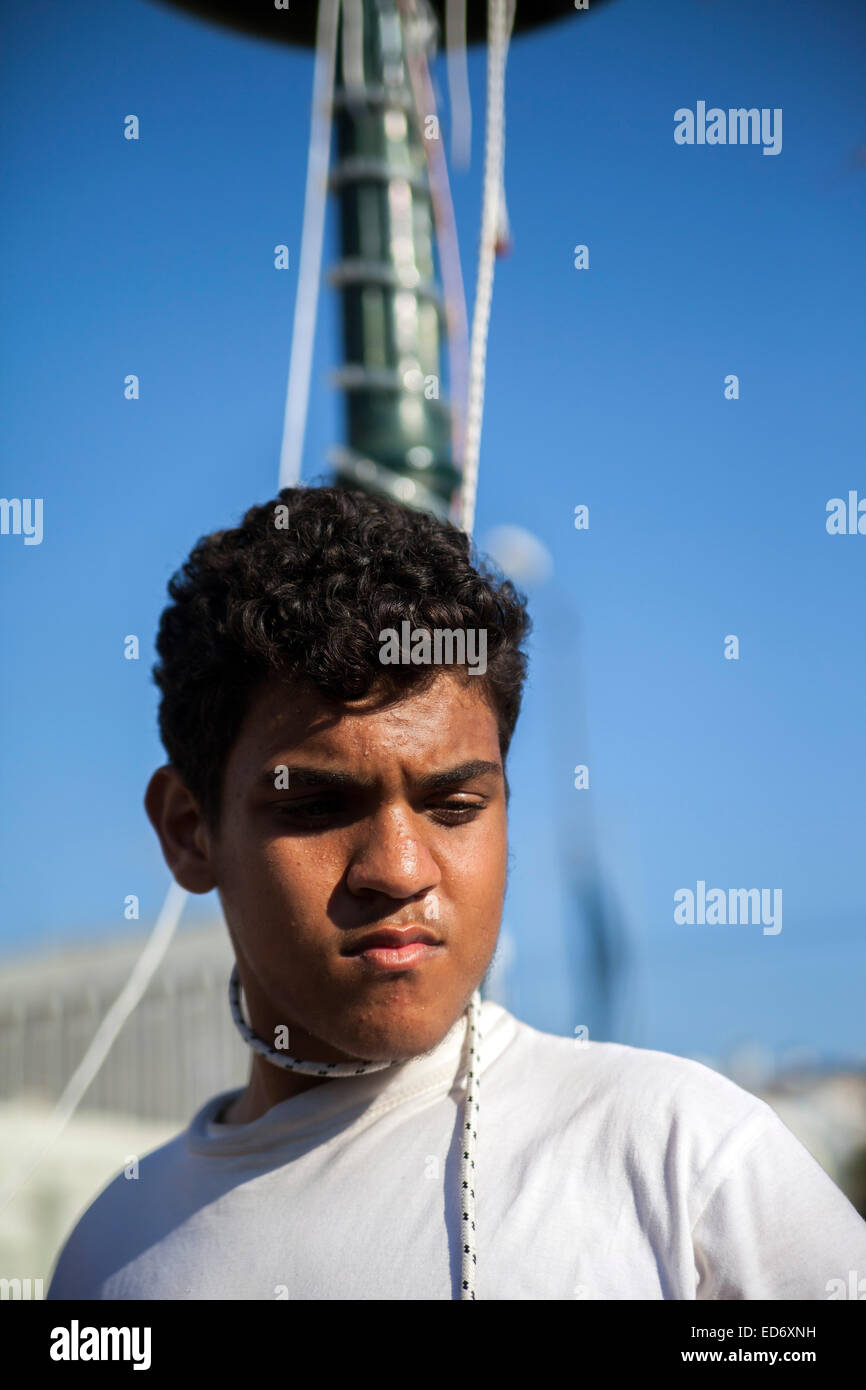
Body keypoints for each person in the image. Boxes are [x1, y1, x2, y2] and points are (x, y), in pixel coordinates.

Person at [48, 486, 866, 1300]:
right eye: (317, 807)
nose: (401, 870)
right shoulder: (112, 1251)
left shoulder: (684, 1162)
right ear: (190, 830)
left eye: (454, 805)